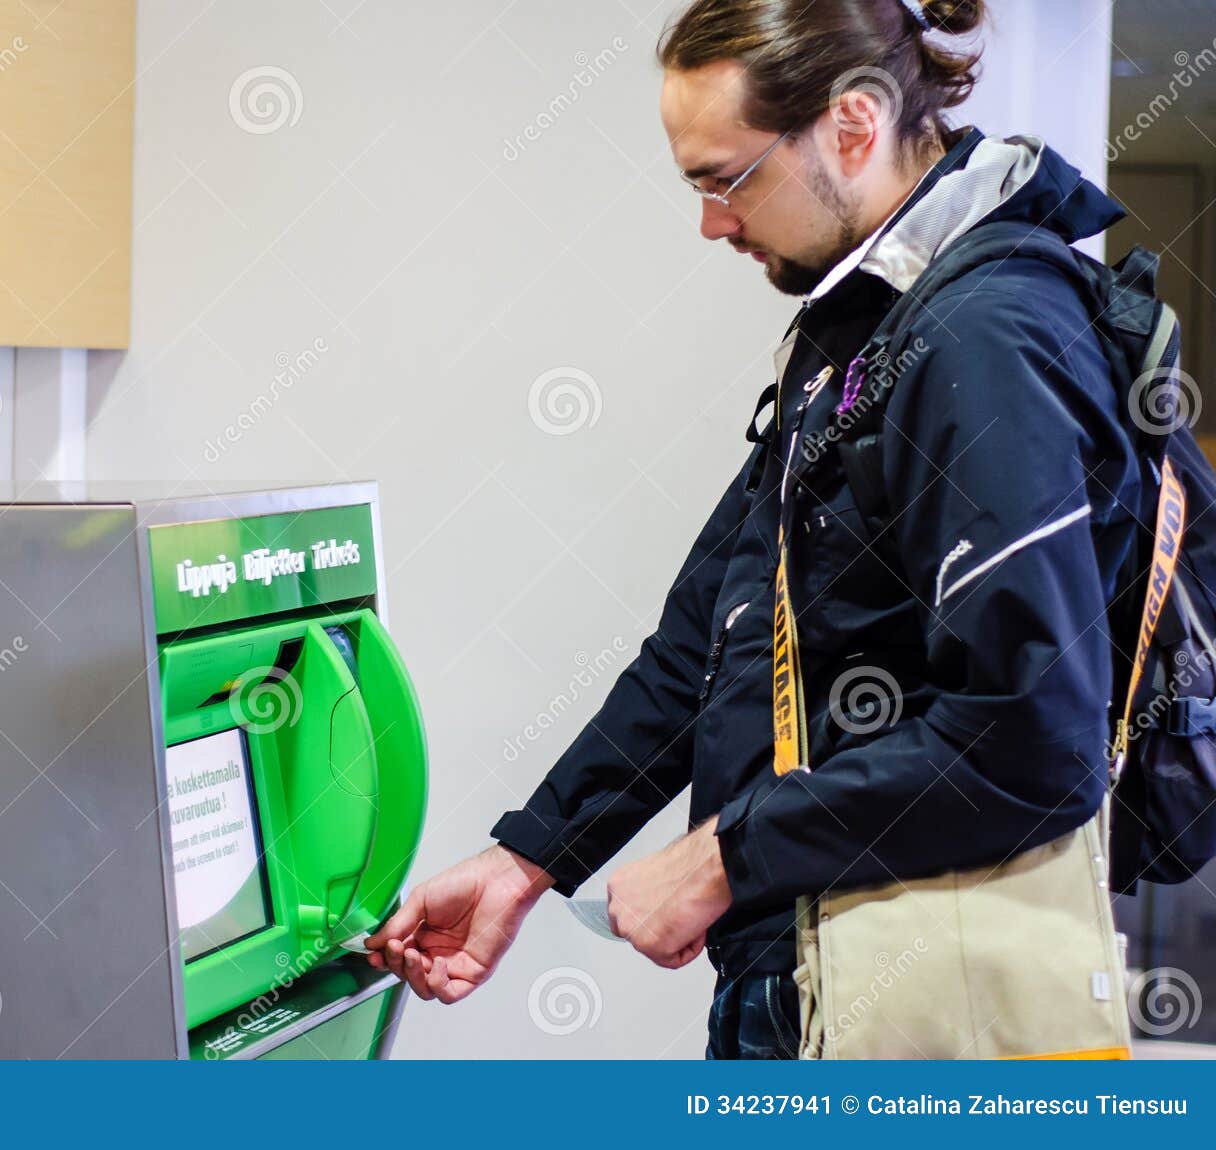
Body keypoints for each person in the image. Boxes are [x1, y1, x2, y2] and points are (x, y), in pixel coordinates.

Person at [368, 0, 1140, 1059]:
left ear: (853, 125)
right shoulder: (866, 329)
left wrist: (723, 856)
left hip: (898, 993)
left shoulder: (986, 334)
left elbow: (1032, 737)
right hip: (804, 968)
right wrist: (530, 857)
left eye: (724, 178)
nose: (712, 224)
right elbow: (708, 641)